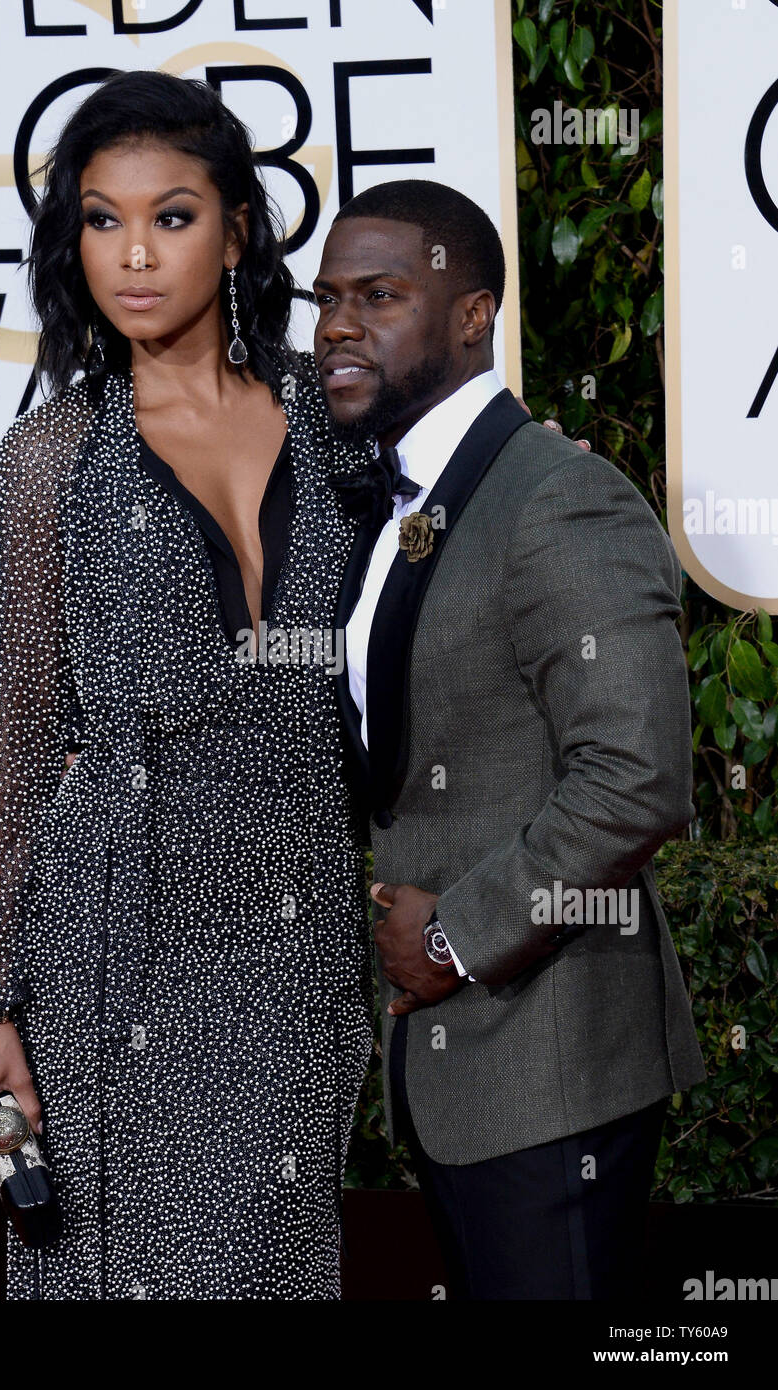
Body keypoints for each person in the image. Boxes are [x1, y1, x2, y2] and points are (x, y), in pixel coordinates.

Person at [0, 70, 378, 1301]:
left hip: (295, 940)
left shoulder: (336, 413)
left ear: (236, 227)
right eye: (100, 218)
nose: (132, 254)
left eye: (171, 216)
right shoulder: (47, 460)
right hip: (115, 934)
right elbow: (15, 746)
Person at [314, 179, 706, 1300]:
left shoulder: (557, 498)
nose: (339, 323)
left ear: (473, 313)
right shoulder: (392, 496)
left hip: (551, 1066)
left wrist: (452, 941)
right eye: (327, 297)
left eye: (379, 295)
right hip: (456, 1074)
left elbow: (635, 779)